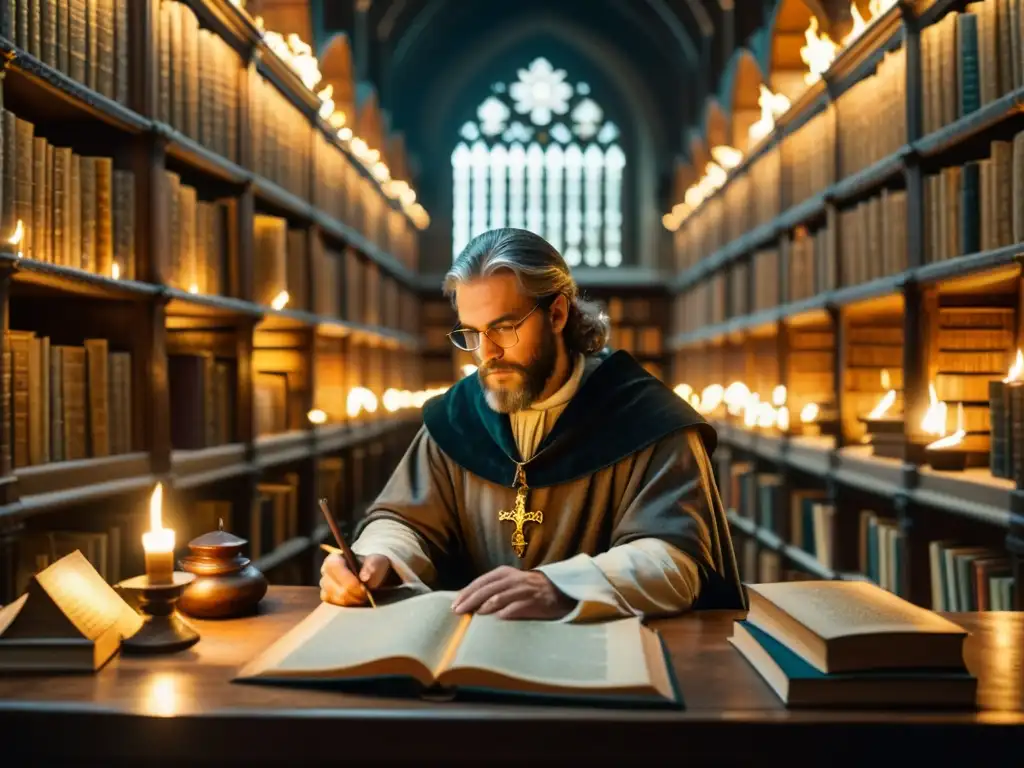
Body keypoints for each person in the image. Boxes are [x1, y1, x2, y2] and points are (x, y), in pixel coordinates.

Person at [320, 228, 745, 621]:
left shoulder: (648, 420)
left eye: (504, 328)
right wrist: (379, 559)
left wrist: (563, 587)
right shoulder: (457, 418)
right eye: (471, 333)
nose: (486, 353)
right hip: (473, 661)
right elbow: (406, 519)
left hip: (605, 667)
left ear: (558, 314)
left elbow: (675, 559)